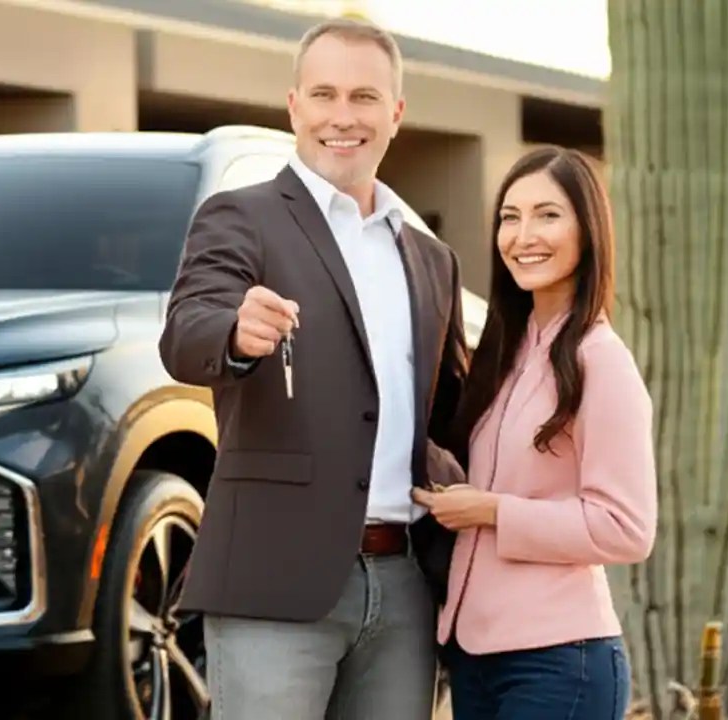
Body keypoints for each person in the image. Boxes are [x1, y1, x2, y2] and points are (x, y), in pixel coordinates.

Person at [158, 17, 469, 720]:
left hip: (404, 587)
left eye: (364, 97)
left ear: (395, 113)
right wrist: (236, 333)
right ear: (294, 105)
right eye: (323, 94)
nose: (342, 116)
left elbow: (455, 411)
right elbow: (186, 334)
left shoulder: (430, 258)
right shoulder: (240, 218)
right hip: (273, 584)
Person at [411, 146, 658, 719]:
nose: (524, 235)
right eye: (510, 216)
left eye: (548, 215)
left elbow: (627, 528)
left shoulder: (602, 361)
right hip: (475, 658)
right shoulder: (505, 355)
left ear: (587, 230)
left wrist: (493, 511)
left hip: (559, 662)